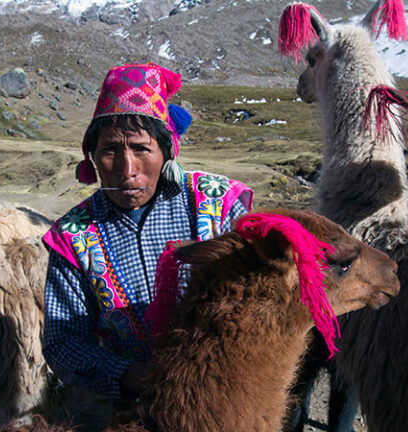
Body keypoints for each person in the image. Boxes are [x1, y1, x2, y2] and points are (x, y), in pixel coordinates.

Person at [42, 63, 253, 406]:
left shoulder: (218, 203)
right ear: (92, 158)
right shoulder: (72, 236)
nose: (127, 170)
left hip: (231, 392)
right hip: (134, 404)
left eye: (141, 148)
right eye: (110, 151)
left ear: (167, 151)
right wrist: (136, 377)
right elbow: (63, 343)